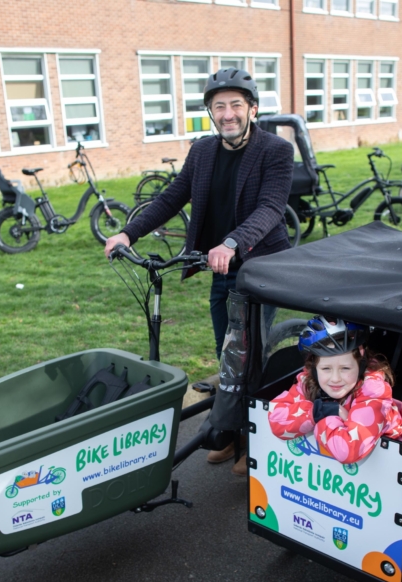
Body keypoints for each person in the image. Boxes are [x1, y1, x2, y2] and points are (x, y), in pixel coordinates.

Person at [104, 67, 294, 474]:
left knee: (249, 354)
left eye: (236, 105)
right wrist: (127, 233)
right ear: (210, 112)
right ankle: (227, 431)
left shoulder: (275, 151)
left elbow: (271, 208)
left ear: (252, 109)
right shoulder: (204, 151)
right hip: (220, 267)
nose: (228, 113)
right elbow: (172, 197)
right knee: (223, 350)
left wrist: (232, 242)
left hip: (262, 269)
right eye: (219, 106)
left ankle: (251, 441)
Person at [267, 318, 402, 465]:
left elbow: (348, 450)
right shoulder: (309, 380)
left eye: (345, 368)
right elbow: (276, 418)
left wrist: (325, 416)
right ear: (313, 369)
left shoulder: (373, 388)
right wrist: (317, 412)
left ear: (361, 365)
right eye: (326, 368)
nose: (335, 379)